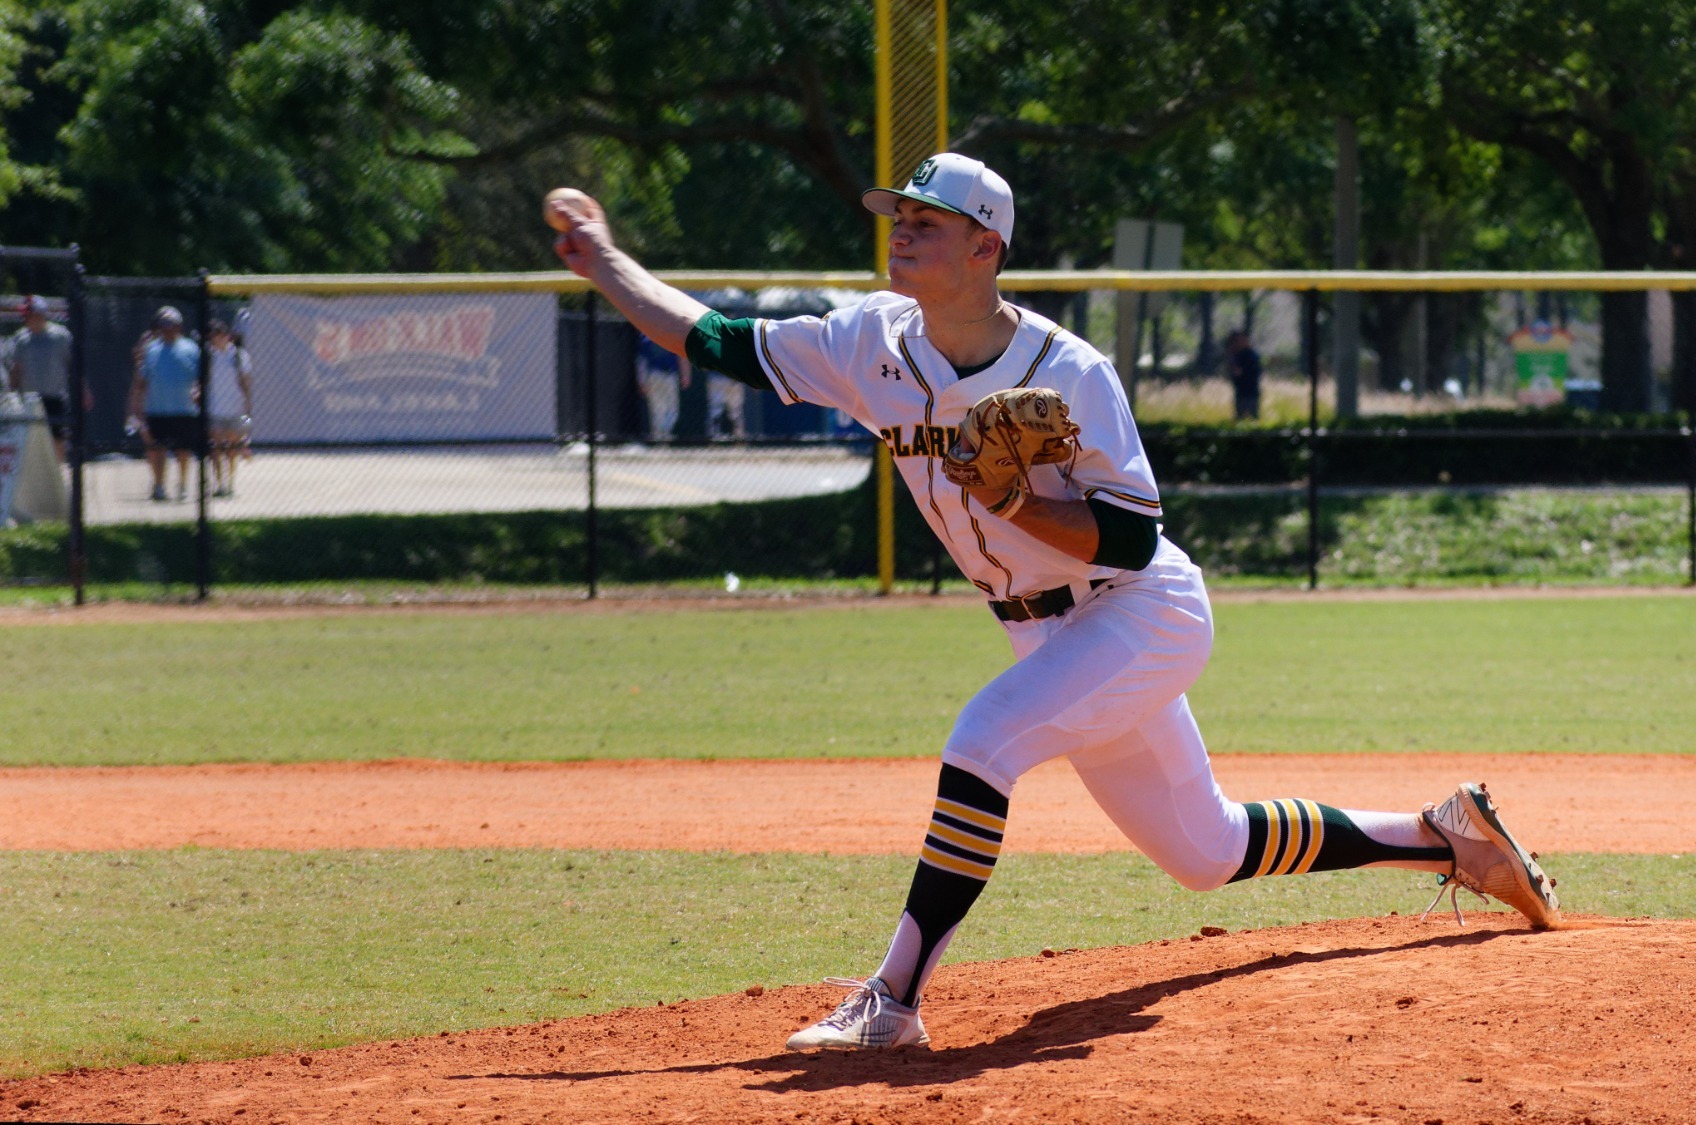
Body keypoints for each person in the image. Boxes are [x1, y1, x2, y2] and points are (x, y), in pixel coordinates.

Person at [547, 153, 1560, 1053]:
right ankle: (1444, 835)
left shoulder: (1067, 370)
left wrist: (1020, 498)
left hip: (1136, 612)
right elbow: (718, 340)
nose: (900, 230)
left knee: (981, 743)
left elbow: (1128, 535)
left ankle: (892, 1002)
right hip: (1042, 632)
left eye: (925, 222)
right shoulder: (868, 342)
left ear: (984, 246)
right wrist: (603, 264)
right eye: (898, 216)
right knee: (1202, 852)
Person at [127, 306, 203, 502]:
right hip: (156, 408)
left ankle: (183, 484)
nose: (166, 328)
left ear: (179, 326)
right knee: (156, 449)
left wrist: (198, 389)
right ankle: (159, 486)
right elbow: (141, 381)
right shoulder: (150, 350)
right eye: (163, 324)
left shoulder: (191, 349)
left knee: (183, 450)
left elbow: (201, 378)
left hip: (184, 409)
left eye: (170, 324)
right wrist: (136, 409)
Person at [6, 296, 84, 461]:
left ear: (40, 314)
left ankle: (59, 480)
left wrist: (84, 390)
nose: (24, 318)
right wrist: (11, 396)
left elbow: (74, 367)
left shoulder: (61, 337)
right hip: (29, 400)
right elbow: (16, 370)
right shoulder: (21, 339)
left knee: (57, 440)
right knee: (28, 441)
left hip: (54, 398)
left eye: (28, 314)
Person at [203, 318, 252, 497]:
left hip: (235, 408)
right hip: (214, 408)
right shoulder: (207, 356)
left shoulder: (239, 356)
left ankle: (230, 482)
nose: (218, 338)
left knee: (232, 448)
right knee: (215, 448)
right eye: (214, 335)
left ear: (227, 336)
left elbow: (246, 383)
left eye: (221, 334)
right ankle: (219, 484)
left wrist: (247, 407)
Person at [1226, 328, 1262, 422]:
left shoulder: (1251, 355)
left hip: (1251, 391)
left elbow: (1251, 372)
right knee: (1240, 418)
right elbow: (1235, 373)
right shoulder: (1236, 355)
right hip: (1241, 392)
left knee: (1253, 418)